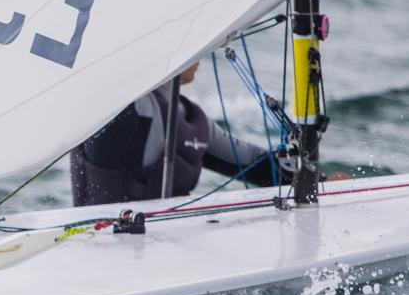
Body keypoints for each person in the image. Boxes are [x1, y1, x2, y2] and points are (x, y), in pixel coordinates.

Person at [69, 66, 290, 207]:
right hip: (105, 248)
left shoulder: (189, 116)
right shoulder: (123, 108)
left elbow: (255, 163)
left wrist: (313, 179)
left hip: (167, 247)